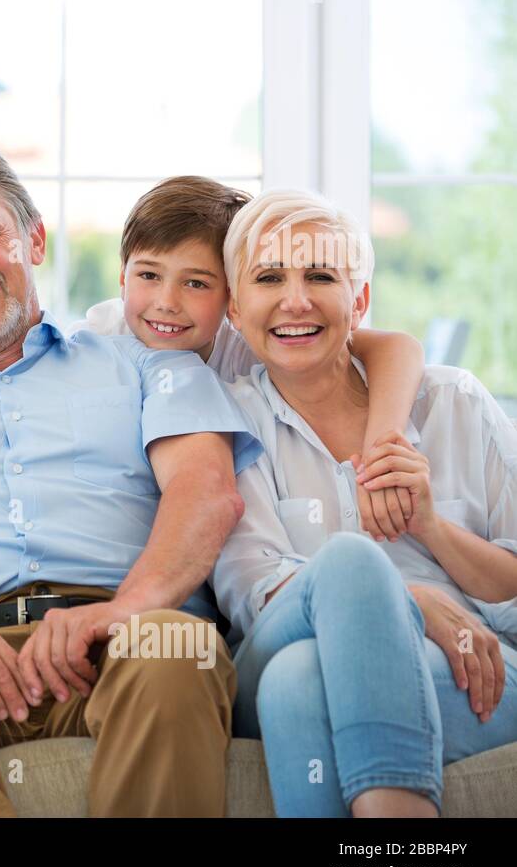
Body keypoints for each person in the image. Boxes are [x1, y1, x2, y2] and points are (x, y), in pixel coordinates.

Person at [0, 142, 265, 817]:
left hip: (125, 636)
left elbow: (205, 494)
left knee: (179, 650)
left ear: (32, 240)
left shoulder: (151, 365)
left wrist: (121, 612)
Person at [211, 188, 517, 816]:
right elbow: (253, 593)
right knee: (352, 564)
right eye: (271, 278)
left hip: (469, 669)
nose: (296, 299)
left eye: (320, 274)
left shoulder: (455, 402)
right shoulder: (226, 421)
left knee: (300, 683)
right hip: (283, 639)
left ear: (360, 302)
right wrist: (399, 599)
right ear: (236, 312)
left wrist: (431, 527)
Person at [72, 176, 425, 542]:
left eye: (196, 283)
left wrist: (381, 447)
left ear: (232, 296)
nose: (167, 302)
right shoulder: (101, 338)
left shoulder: (248, 346)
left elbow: (398, 348)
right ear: (122, 278)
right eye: (148, 275)